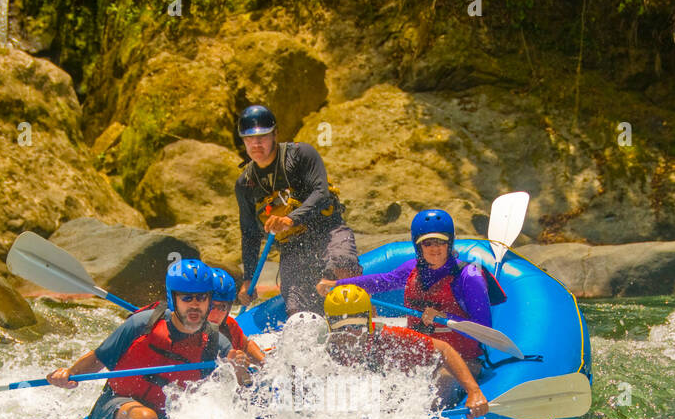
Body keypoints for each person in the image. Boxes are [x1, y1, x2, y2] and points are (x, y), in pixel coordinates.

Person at [46, 259, 248, 419]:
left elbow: (237, 393)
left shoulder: (216, 342)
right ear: (173, 299)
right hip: (116, 408)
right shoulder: (142, 324)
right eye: (186, 298)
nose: (195, 305)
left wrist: (239, 370)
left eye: (201, 298)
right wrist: (69, 374)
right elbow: (99, 357)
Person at [317, 209, 495, 373]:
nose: (435, 248)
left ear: (450, 242)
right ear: (418, 246)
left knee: (436, 394)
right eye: (428, 243)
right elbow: (381, 281)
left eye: (441, 241)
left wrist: (445, 318)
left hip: (461, 361)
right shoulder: (413, 269)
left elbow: (484, 329)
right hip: (420, 354)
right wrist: (337, 284)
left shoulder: (468, 277)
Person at [234, 104, 362, 316]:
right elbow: (249, 233)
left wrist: (290, 219)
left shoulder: (301, 155)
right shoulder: (245, 183)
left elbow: (321, 193)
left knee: (342, 265)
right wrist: (249, 278)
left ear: (275, 134)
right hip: (292, 247)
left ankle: (361, 319)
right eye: (249, 139)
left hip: (328, 231)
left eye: (263, 137)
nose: (256, 144)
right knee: (296, 308)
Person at [321, 284, 488, 418]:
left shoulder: (389, 337)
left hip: (402, 394)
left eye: (357, 326)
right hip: (368, 401)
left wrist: (474, 392)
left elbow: (444, 350)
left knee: (446, 380)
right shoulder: (324, 350)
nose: (351, 333)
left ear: (370, 319)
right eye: (342, 328)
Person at [208, 267, 267, 366]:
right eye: (211, 306)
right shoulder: (186, 332)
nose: (216, 314)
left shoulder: (229, 325)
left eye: (223, 307)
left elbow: (246, 345)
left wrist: (266, 364)